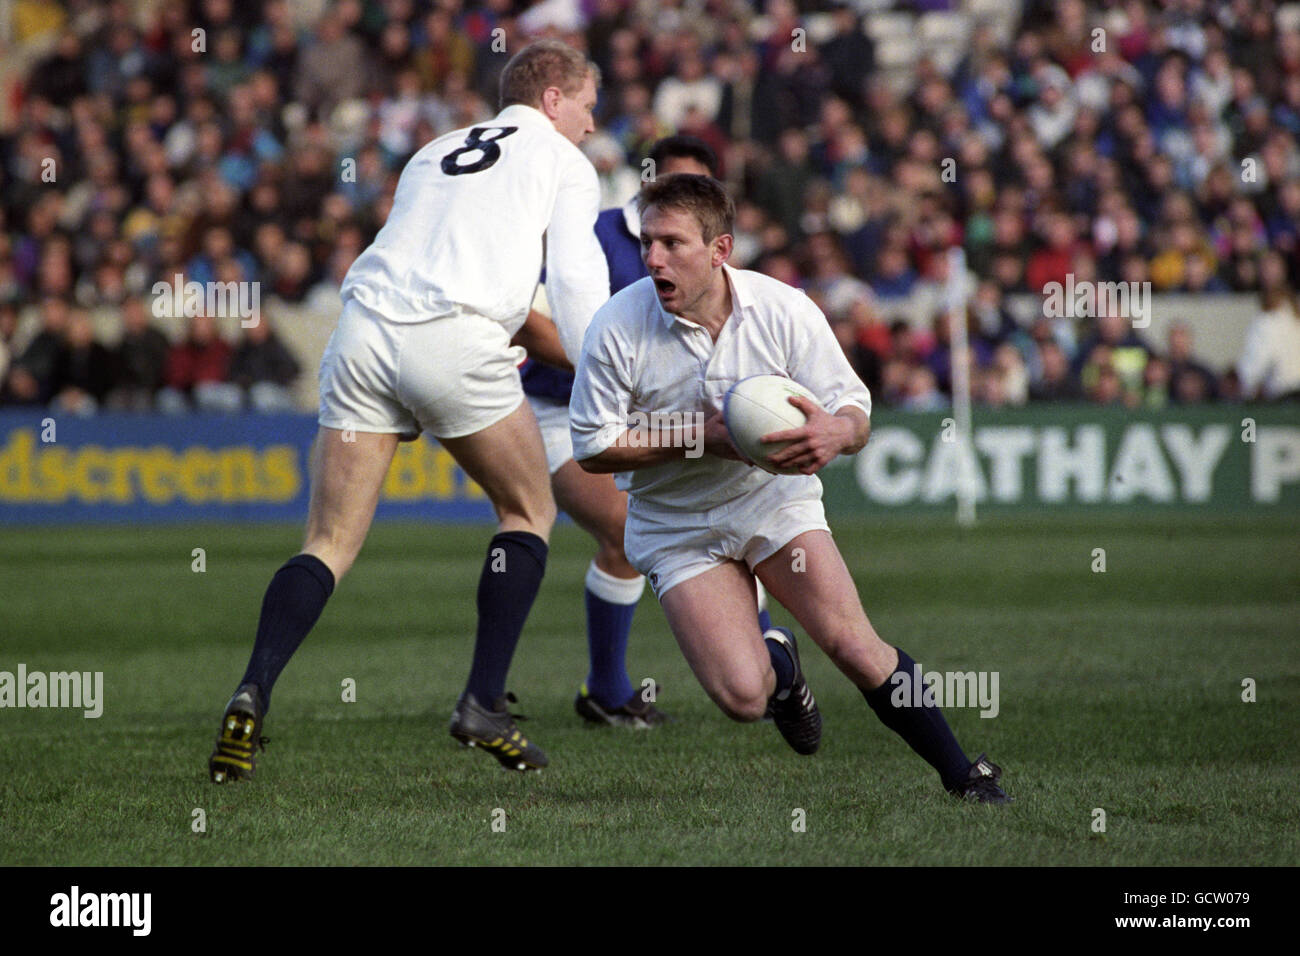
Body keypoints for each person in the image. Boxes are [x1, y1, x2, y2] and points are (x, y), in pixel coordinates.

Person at [208, 39, 610, 782]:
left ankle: (252, 689)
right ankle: (483, 703)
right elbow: (580, 283)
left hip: (361, 329)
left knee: (327, 540)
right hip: (454, 338)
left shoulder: (434, 150)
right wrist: (607, 372)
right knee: (527, 512)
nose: (591, 124)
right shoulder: (565, 163)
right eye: (588, 106)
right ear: (553, 98)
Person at [568, 175, 1011, 802]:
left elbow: (853, 409)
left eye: (672, 243)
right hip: (674, 522)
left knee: (855, 646)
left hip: (770, 500)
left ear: (720, 249)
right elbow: (591, 444)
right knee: (745, 699)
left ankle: (965, 777)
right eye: (647, 243)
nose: (653, 259)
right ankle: (779, 663)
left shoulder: (783, 308)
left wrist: (838, 433)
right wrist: (702, 435)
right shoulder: (617, 325)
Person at [513, 135, 772, 729]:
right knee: (629, 527)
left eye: (698, 191)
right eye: (672, 185)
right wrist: (600, 368)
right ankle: (758, 655)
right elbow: (526, 319)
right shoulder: (591, 237)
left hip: (667, 416)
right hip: (563, 411)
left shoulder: (716, 260)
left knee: (723, 523)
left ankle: (620, 687)